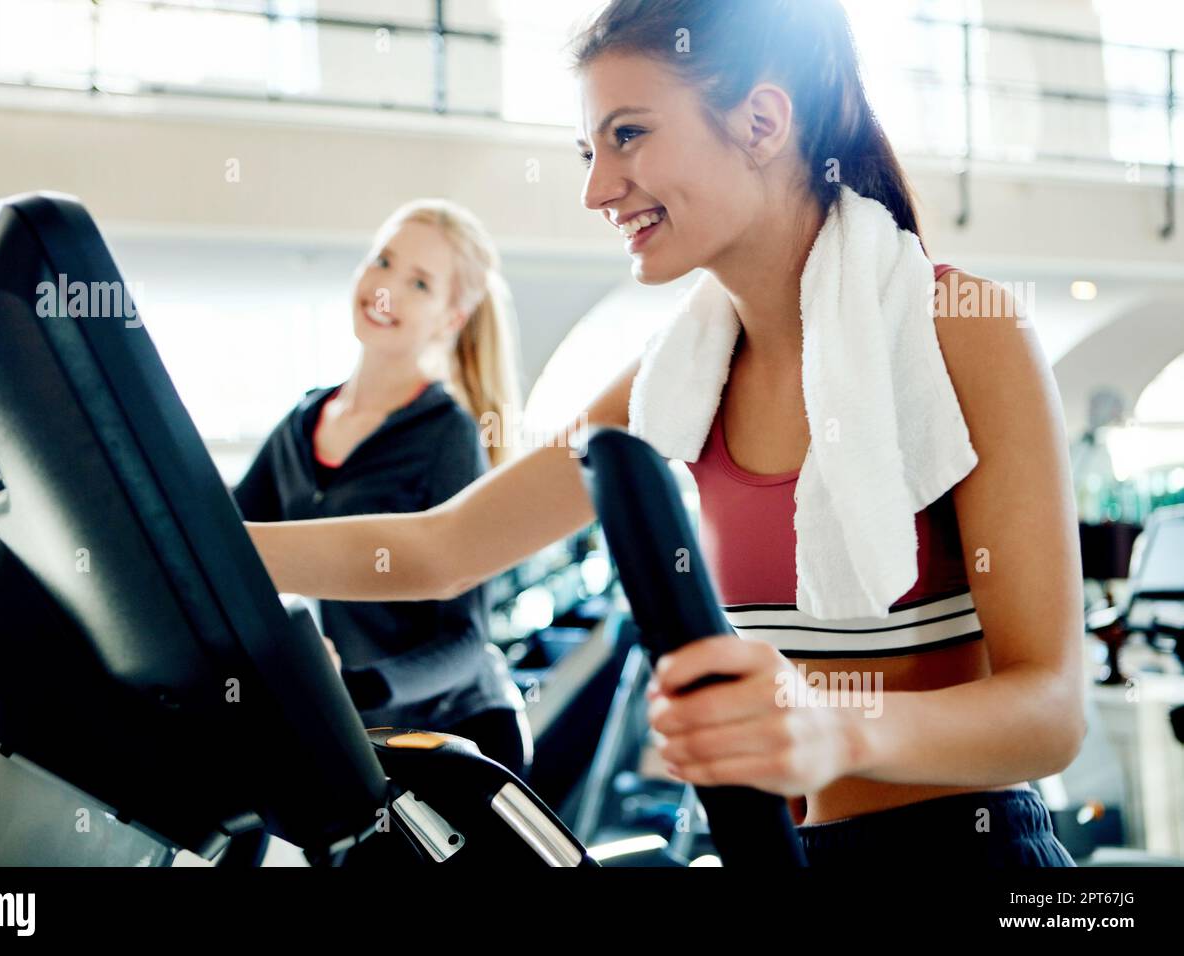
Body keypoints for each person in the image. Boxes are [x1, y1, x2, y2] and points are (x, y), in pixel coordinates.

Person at [244, 0, 1084, 866]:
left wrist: (839, 727)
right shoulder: (685, 373)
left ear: (761, 120)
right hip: (781, 853)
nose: (597, 188)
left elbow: (1052, 714)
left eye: (629, 135)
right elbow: (443, 547)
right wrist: (190, 549)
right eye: (589, 151)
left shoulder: (960, 329)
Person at [233, 198, 532, 780]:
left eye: (419, 283)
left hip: (456, 733)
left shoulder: (445, 434)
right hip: (357, 724)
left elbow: (467, 638)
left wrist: (355, 688)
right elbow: (222, 542)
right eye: (382, 261)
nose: (387, 289)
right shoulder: (301, 424)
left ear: (451, 317)